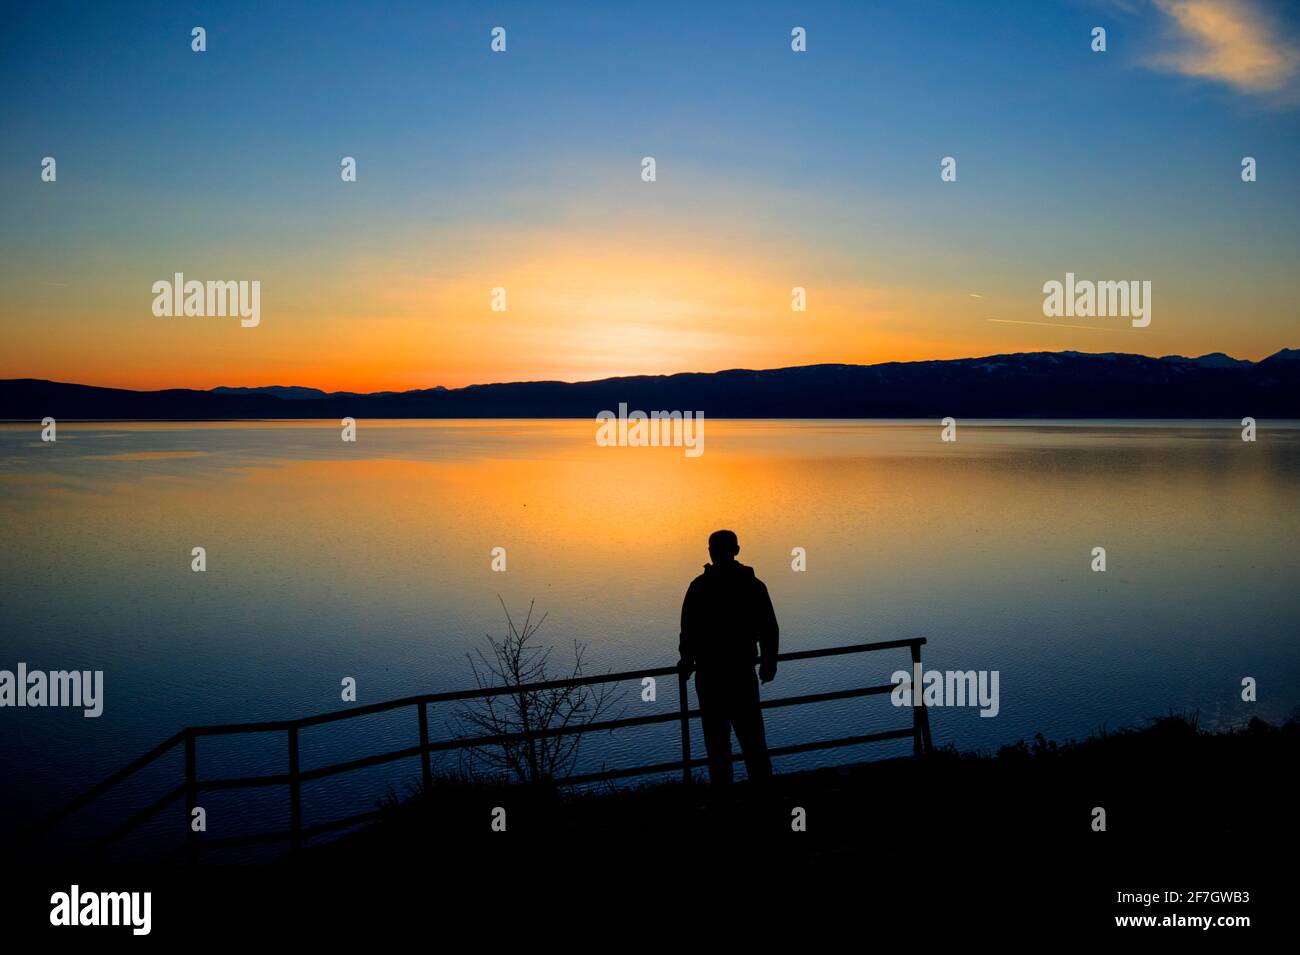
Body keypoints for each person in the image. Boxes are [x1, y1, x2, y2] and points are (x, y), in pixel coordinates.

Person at [678, 529, 778, 789]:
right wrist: (768, 662)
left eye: (714, 548)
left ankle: (724, 800)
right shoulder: (752, 586)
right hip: (740, 672)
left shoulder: (699, 587)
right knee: (752, 740)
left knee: (718, 744)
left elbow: (688, 630)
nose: (713, 552)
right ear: (737, 551)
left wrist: (687, 661)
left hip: (711, 675)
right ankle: (763, 793)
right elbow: (769, 628)